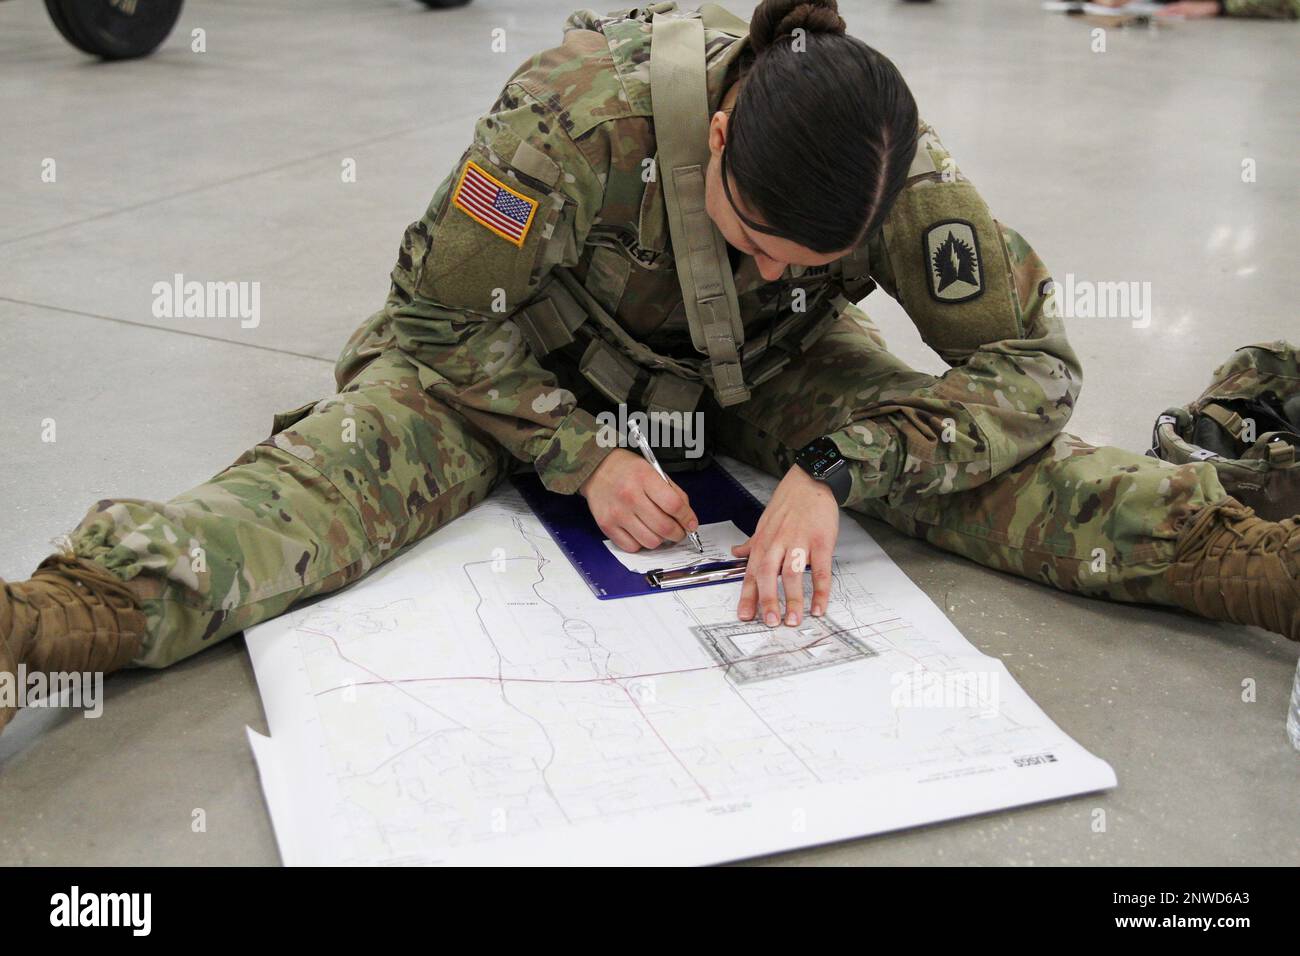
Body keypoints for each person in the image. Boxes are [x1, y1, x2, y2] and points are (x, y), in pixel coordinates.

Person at [3, 0, 1297, 736]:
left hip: (773, 379)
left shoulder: (899, 170)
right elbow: (439, 320)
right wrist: (581, 451)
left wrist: (843, 467)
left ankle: (1251, 566)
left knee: (981, 467)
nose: (784, 269)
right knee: (333, 483)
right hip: (527, 366)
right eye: (755, 242)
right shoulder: (568, 120)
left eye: (816, 260)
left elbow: (1025, 364)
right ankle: (57, 623)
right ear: (718, 137)